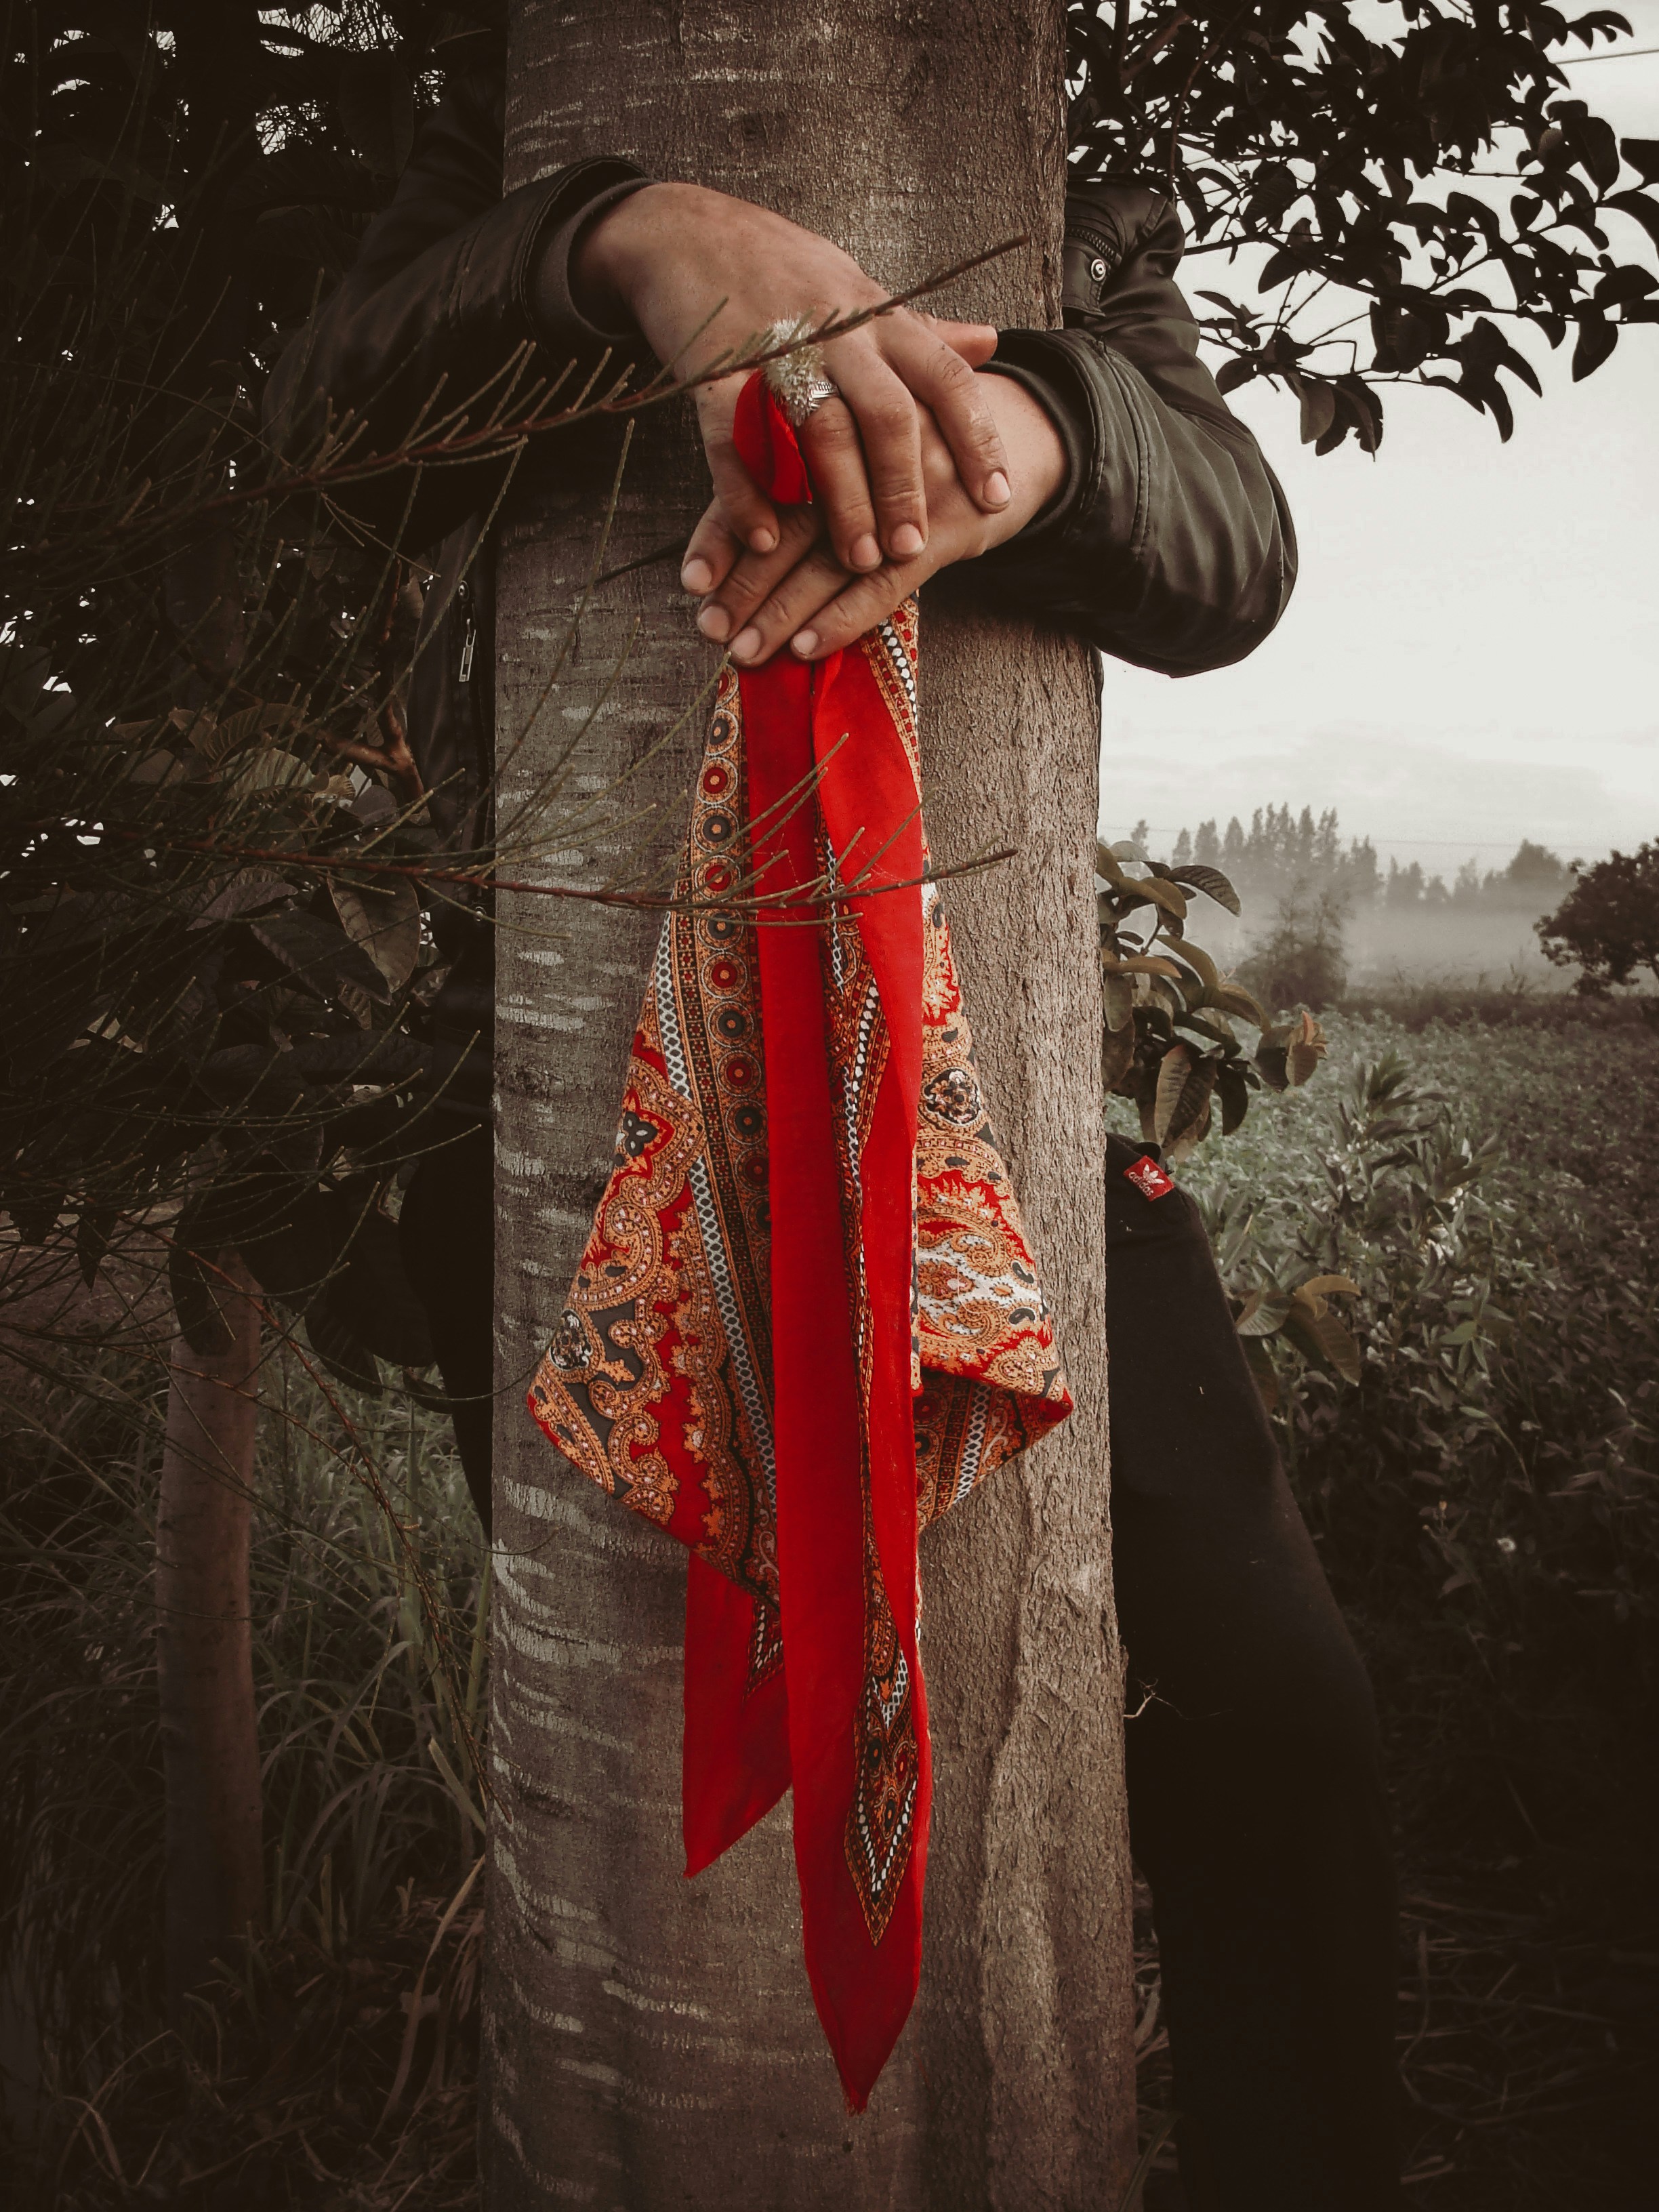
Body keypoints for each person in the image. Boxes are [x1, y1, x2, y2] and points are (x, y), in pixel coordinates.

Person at [268, 52, 1397, 2211]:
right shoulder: (485, 95)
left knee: (1279, 1723)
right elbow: (321, 429)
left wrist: (1033, 433)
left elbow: (1234, 543)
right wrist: (634, 241)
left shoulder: (1068, 158)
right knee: (646, 1769)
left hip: (1011, 1120)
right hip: (557, 1131)